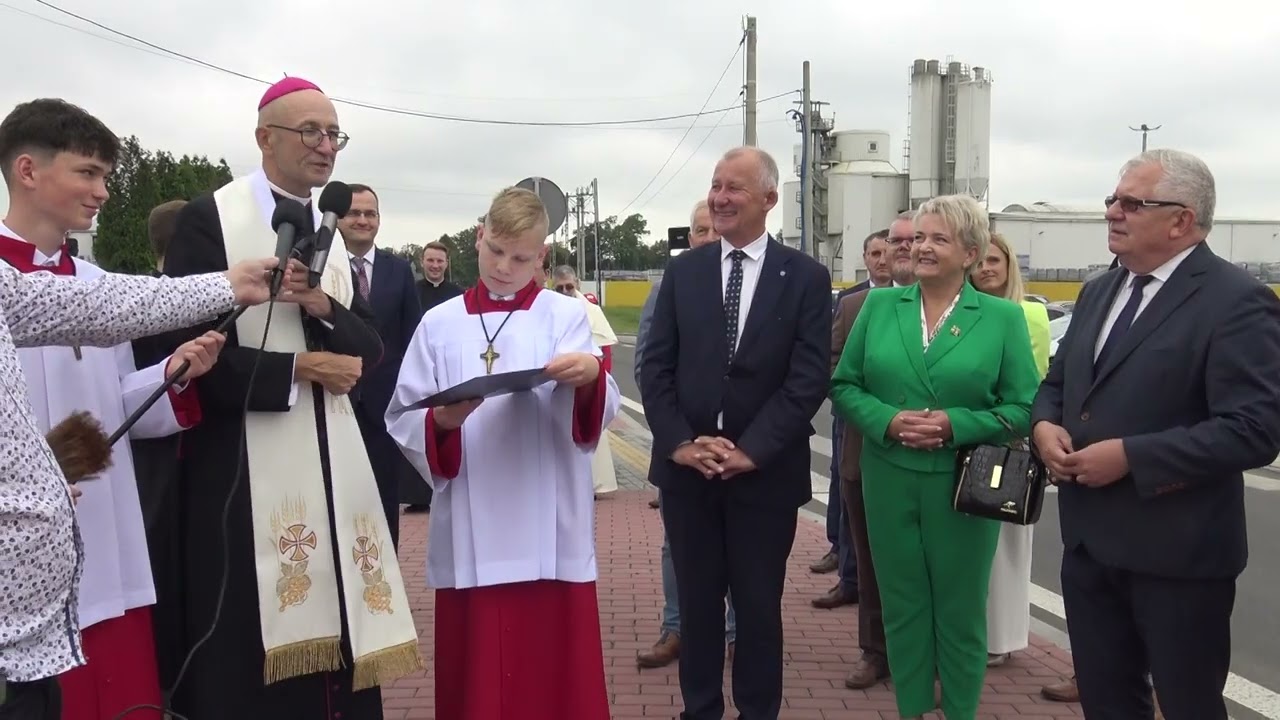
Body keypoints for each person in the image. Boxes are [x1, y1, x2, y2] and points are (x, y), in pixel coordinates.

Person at [158, 77, 419, 719]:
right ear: (264, 138)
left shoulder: (329, 229)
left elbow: (370, 348)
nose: (326, 145)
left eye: (334, 134)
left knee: (344, 621)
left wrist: (319, 303)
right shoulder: (211, 219)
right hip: (244, 471)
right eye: (310, 131)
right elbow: (185, 356)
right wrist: (298, 369)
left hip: (335, 462)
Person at [1032, 149, 1280, 720]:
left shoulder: (1236, 302)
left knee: (1189, 704)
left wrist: (1132, 457)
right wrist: (1044, 424)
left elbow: (1254, 430)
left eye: (1131, 203)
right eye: (1112, 200)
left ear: (1181, 220)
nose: (1113, 213)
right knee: (1108, 702)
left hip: (1179, 557)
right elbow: (1058, 382)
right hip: (1090, 547)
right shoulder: (1100, 291)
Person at [385, 186, 620, 719]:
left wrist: (589, 378)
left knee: (553, 680)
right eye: (494, 250)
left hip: (549, 526)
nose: (503, 267)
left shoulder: (565, 315)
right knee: (480, 682)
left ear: (541, 256)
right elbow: (401, 416)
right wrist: (443, 422)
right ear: (478, 237)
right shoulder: (438, 323)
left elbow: (592, 413)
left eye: (520, 258)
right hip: (471, 521)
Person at [830, 195, 1040, 719]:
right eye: (918, 237)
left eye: (937, 239)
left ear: (971, 253)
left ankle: (960, 712)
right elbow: (844, 384)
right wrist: (887, 421)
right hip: (888, 475)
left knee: (961, 612)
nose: (921, 247)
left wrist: (957, 425)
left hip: (962, 482)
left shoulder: (1001, 318)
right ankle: (912, 709)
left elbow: (1023, 405)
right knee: (902, 608)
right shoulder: (879, 307)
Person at [640, 147, 831, 720]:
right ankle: (699, 710)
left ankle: (756, 711)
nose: (720, 198)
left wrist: (753, 450)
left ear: (769, 200)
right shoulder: (683, 271)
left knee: (756, 610)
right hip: (688, 475)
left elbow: (807, 378)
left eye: (735, 189)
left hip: (764, 479)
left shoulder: (804, 278)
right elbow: (654, 368)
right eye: (716, 185)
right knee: (698, 610)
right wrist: (680, 444)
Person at [633, 198, 737, 669]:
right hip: (682, 448)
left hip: (741, 450)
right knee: (677, 547)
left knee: (743, 545)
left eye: (715, 229)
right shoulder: (672, 284)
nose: (709, 237)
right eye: (700, 231)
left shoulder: (753, 283)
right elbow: (648, 366)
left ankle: (737, 633)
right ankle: (676, 628)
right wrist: (681, 440)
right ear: (689, 237)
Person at [827, 212, 916, 690]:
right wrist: (884, 417)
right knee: (871, 562)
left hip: (936, 458)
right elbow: (836, 374)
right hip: (865, 454)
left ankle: (929, 658)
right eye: (896, 240)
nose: (904, 247)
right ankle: (875, 652)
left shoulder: (962, 309)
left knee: (929, 567)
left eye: (913, 239)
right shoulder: (854, 307)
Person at [970, 232, 1046, 667]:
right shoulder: (961, 314)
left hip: (1010, 442)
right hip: (969, 438)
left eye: (994, 261)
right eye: (979, 261)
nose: (986, 269)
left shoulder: (1028, 315)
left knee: (1007, 548)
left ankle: (1002, 636)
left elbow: (1033, 383)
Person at [339, 182, 422, 548]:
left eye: (369, 213)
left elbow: (411, 336)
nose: (362, 220)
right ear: (338, 219)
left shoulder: (398, 270)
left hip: (384, 407)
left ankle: (384, 588)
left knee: (383, 498)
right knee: (337, 498)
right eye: (354, 213)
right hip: (332, 401)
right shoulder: (320, 266)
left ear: (379, 220)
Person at [403, 240, 462, 512]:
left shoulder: (458, 295)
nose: (435, 266)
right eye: (430, 260)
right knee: (419, 424)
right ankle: (418, 495)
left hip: (449, 369)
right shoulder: (410, 292)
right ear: (422, 261)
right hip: (419, 367)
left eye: (440, 261)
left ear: (446, 264)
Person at [550, 264, 620, 497]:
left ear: (577, 284)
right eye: (560, 288)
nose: (565, 291)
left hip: (587, 385)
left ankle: (592, 486)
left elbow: (604, 348)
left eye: (569, 286)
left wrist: (597, 379)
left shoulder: (591, 310)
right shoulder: (549, 307)